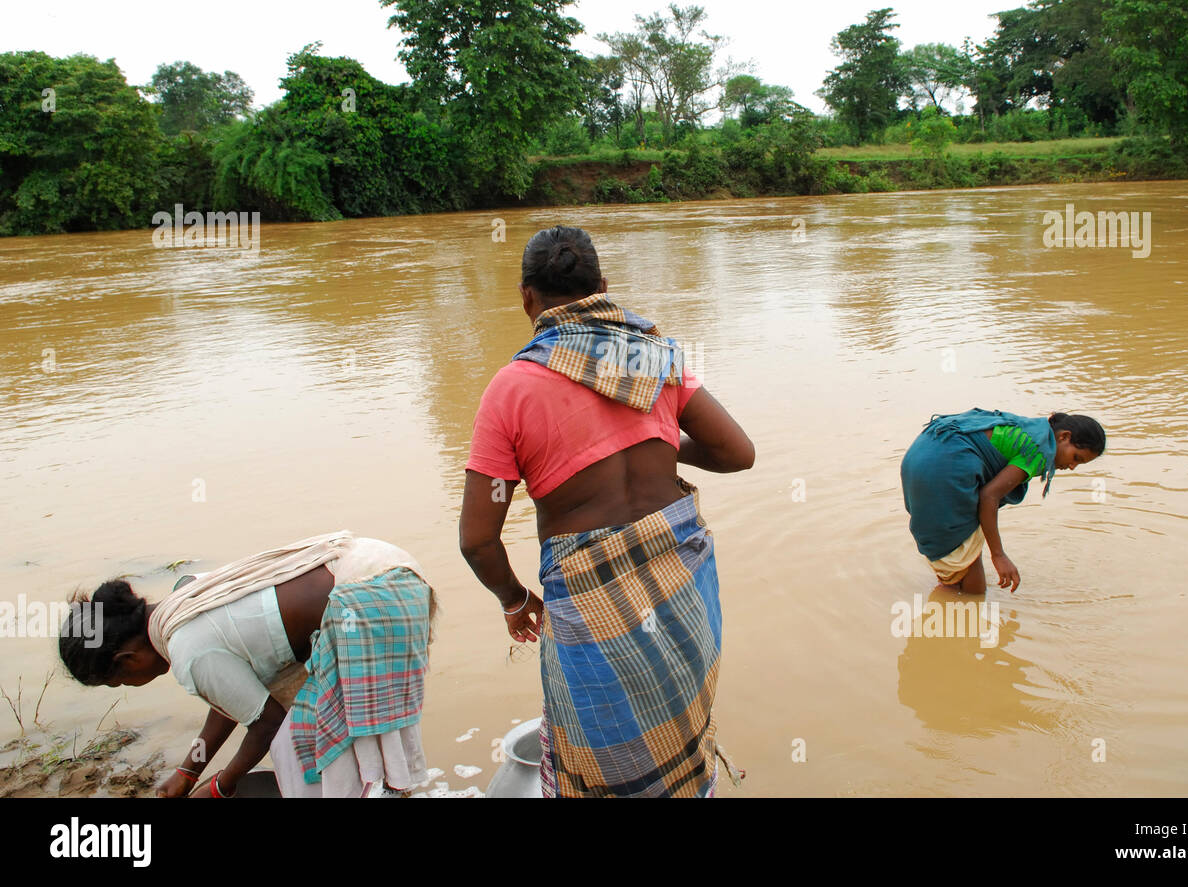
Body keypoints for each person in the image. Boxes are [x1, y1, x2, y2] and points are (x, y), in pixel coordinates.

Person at [459, 225, 755, 798]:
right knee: (683, 730)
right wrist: (662, 438)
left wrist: (515, 599)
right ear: (603, 286)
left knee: (597, 760)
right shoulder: (659, 357)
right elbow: (736, 453)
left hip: (590, 612)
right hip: (684, 589)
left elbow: (478, 539)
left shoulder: (512, 388)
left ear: (527, 298)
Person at [59, 531, 436, 798]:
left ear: (127, 660)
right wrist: (188, 772)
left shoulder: (188, 652)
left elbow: (265, 722)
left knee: (317, 742)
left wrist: (223, 785)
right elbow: (233, 699)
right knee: (304, 741)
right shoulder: (183, 596)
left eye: (120, 682)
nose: (129, 685)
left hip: (374, 595)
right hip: (375, 561)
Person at [899, 409, 1106, 594]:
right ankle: (958, 615)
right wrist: (998, 556)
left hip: (921, 454)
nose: (1071, 467)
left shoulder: (1029, 427)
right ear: (1064, 437)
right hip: (943, 470)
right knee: (975, 591)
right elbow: (989, 496)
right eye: (1076, 458)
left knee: (960, 566)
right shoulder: (1039, 450)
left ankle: (946, 605)